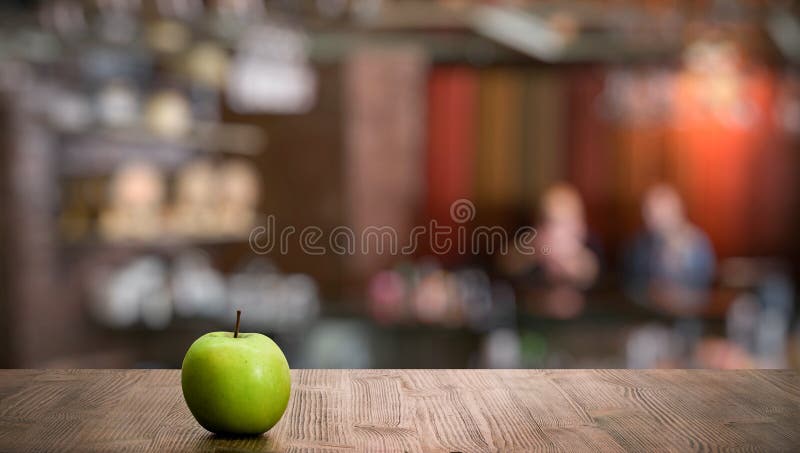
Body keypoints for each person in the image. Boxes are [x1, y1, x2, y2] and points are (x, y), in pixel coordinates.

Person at [503, 183, 600, 319]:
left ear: (580, 227)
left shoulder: (591, 248)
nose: (555, 231)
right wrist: (536, 251)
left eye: (564, 223)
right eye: (549, 222)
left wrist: (567, 261)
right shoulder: (529, 245)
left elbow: (592, 272)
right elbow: (506, 265)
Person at [624, 184, 715, 313]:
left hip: (688, 313)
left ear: (678, 211)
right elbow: (633, 282)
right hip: (649, 312)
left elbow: (703, 285)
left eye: (662, 212)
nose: (654, 220)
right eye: (650, 213)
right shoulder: (640, 244)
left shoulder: (697, 243)